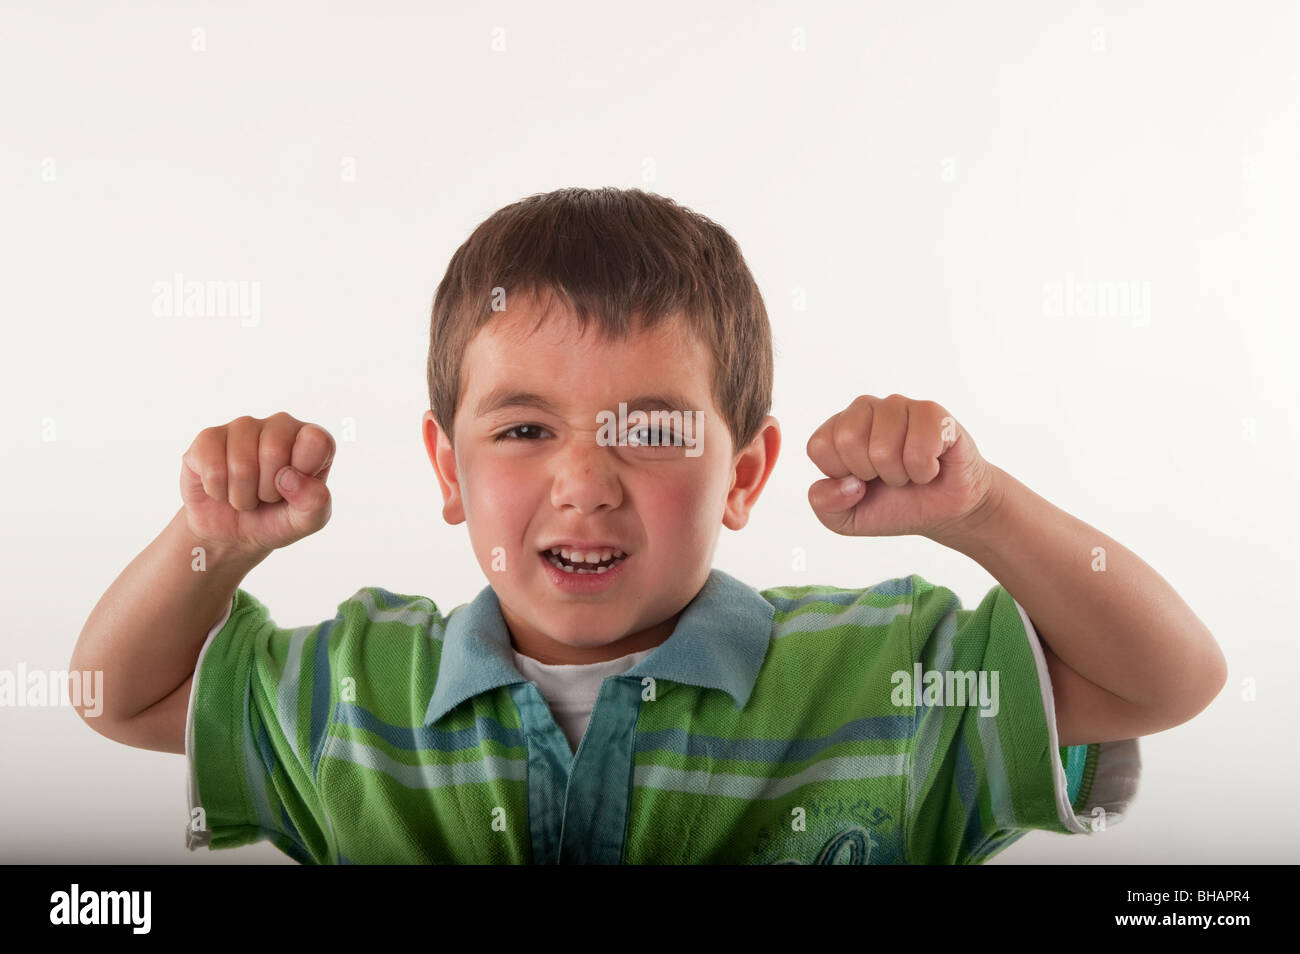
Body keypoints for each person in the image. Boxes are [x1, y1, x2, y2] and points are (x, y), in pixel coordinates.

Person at [70, 187, 1224, 864]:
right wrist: (211, 538)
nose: (585, 481)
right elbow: (110, 699)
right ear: (447, 469)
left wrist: (980, 509)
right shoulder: (355, 694)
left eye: (652, 430)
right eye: (523, 431)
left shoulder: (881, 674)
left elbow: (1167, 679)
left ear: (744, 472)